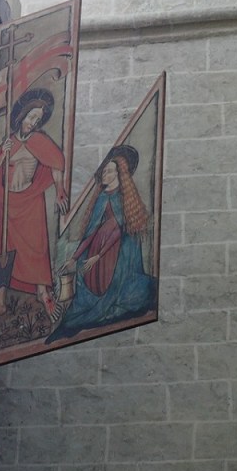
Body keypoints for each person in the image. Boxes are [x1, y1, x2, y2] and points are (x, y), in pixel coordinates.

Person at [0, 88, 69, 329]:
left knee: (37, 248)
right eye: (31, 117)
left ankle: (43, 293)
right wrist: (2, 155)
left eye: (38, 119)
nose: (34, 122)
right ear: (22, 116)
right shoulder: (9, 142)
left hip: (30, 202)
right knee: (2, 251)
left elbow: (56, 161)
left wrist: (60, 189)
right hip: (7, 204)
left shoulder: (39, 141)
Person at [47, 145, 156, 343]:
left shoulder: (124, 198)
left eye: (109, 171)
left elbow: (119, 231)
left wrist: (99, 255)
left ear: (119, 174)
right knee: (83, 279)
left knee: (123, 291)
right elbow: (91, 233)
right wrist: (74, 258)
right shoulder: (102, 197)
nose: (104, 175)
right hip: (98, 250)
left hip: (117, 254)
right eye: (104, 171)